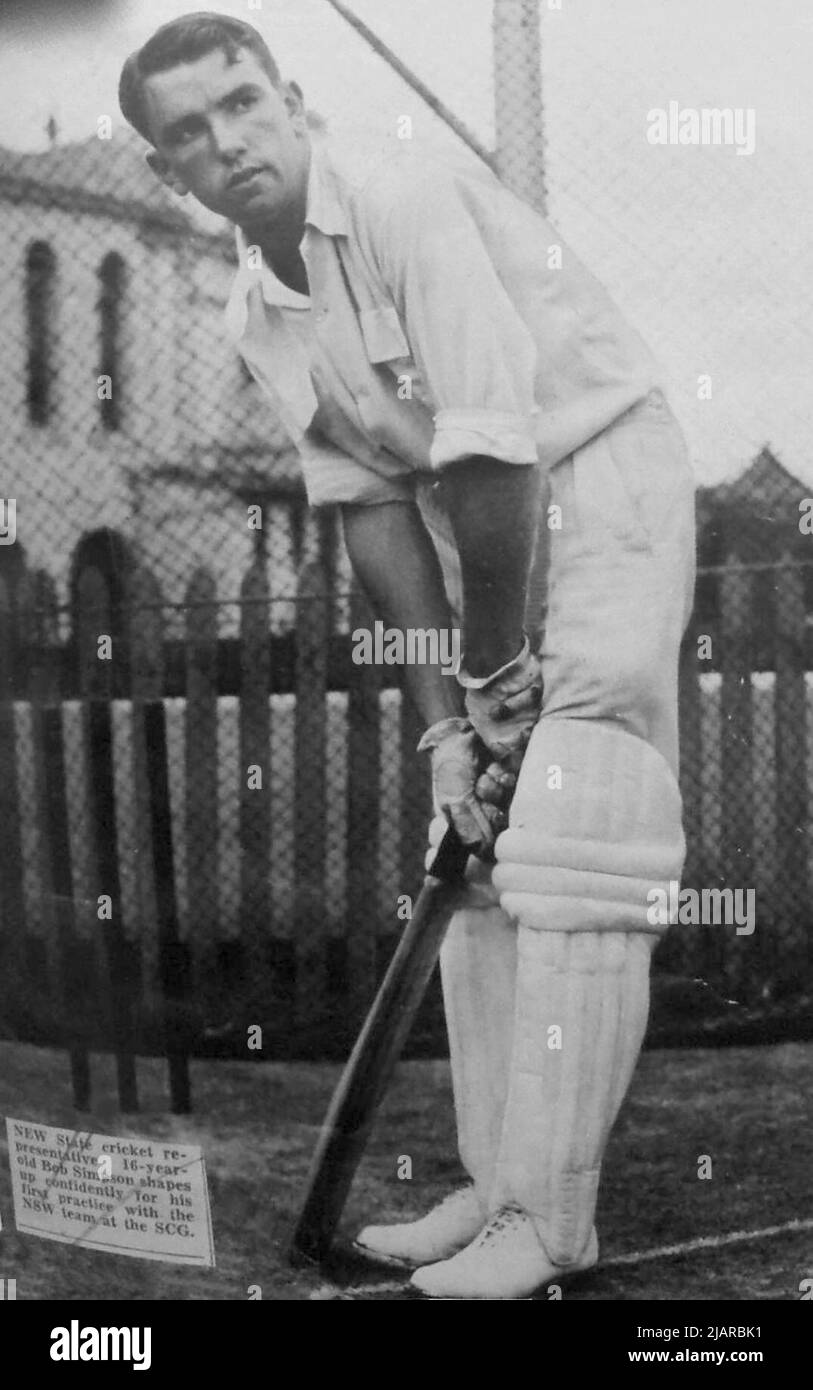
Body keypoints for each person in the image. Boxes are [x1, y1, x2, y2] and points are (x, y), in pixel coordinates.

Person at [119, 12, 696, 1299]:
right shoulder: (256, 314)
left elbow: (498, 451)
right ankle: (498, 1190)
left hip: (598, 474)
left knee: (573, 829)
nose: (230, 143)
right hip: (474, 514)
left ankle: (553, 1224)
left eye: (244, 104)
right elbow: (378, 513)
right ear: (172, 177)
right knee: (477, 846)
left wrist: (499, 681)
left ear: (291, 97)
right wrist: (451, 726)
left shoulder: (401, 195)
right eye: (191, 136)